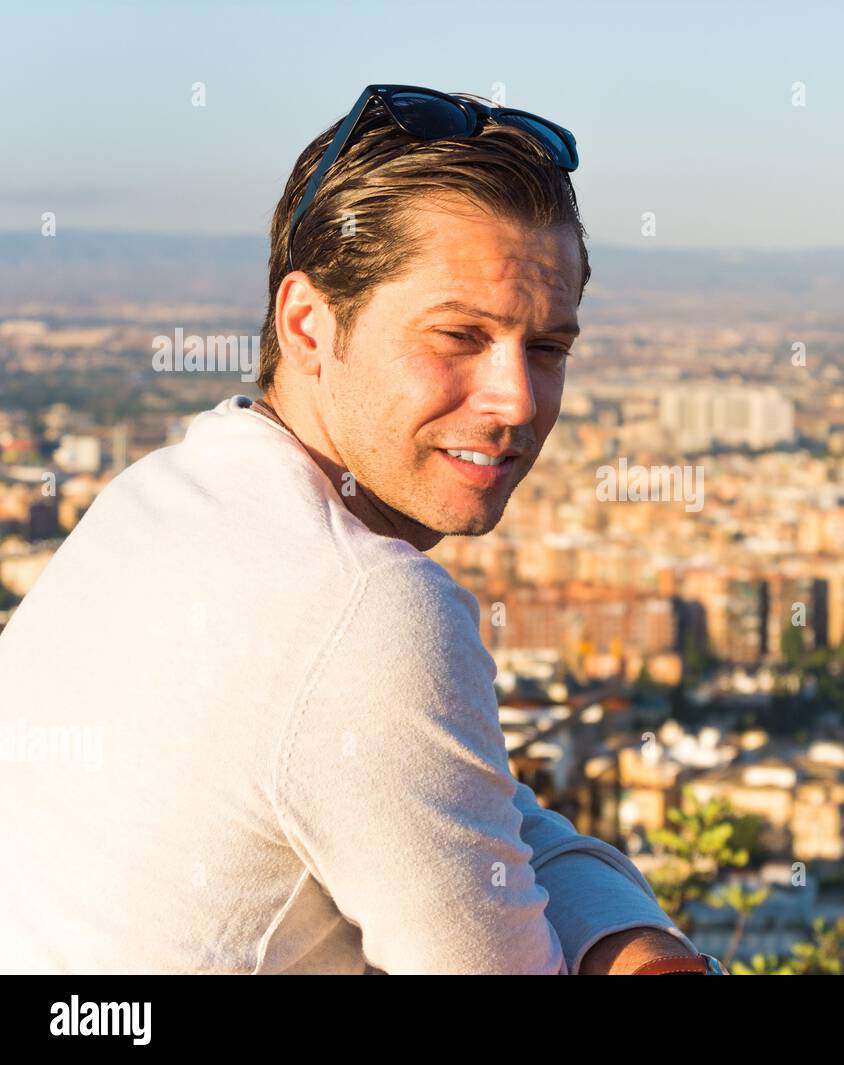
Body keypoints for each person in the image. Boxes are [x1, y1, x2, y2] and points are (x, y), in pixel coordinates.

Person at [0, 85, 723, 975]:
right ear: (309, 323)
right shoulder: (364, 604)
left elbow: (456, 807)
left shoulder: (157, 500)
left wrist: (622, 937)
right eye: (460, 335)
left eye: (547, 349)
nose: (517, 401)